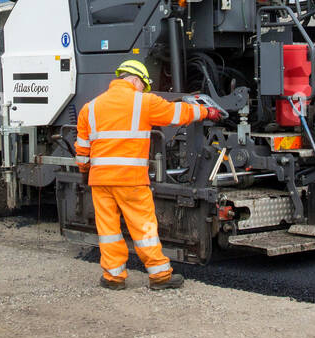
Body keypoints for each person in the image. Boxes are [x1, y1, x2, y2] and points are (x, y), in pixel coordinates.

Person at [74, 59, 223, 289]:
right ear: (135, 80)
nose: (144, 88)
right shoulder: (142, 102)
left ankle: (113, 278)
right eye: (144, 84)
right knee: (143, 227)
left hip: (100, 180)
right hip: (130, 179)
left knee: (108, 230)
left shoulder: (90, 107)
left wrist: (85, 171)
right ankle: (160, 275)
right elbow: (176, 114)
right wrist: (206, 111)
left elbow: (82, 151)